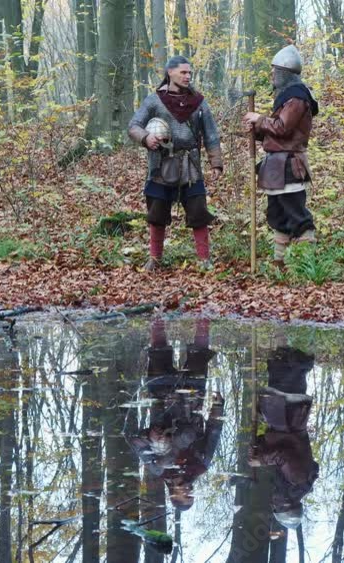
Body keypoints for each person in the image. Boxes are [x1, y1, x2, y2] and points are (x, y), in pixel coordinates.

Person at [128, 56, 224, 272]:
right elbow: (133, 125)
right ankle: (155, 259)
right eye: (183, 72)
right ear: (170, 72)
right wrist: (145, 138)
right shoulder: (154, 100)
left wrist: (216, 163)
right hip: (160, 163)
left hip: (190, 164)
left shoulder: (198, 102)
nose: (188, 76)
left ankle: (204, 260)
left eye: (190, 73)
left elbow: (211, 135)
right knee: (157, 213)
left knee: (198, 212)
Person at [129, 318, 223, 513]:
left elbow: (136, 441)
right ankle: (203, 311)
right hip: (193, 397)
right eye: (191, 495)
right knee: (200, 354)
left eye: (185, 495)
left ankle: (158, 310)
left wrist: (151, 437)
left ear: (173, 495)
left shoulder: (157, 469)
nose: (189, 491)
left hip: (160, 395)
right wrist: (218, 408)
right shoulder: (201, 465)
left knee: (158, 350)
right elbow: (213, 432)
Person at [242, 45, 320, 267]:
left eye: (274, 71)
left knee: (297, 216)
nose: (271, 76)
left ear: (284, 73)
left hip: (289, 164)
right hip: (275, 165)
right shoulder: (286, 98)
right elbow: (274, 133)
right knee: (277, 215)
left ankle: (307, 264)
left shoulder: (297, 97)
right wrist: (257, 129)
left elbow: (283, 128)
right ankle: (280, 262)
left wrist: (260, 119)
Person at [249, 340, 319, 529]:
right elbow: (284, 455)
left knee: (283, 370)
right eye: (277, 506)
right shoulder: (297, 481)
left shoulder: (294, 485)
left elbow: (281, 451)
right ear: (286, 506)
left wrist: (260, 446)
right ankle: (292, 336)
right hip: (287, 416)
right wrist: (261, 460)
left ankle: (290, 340)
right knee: (287, 369)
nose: (273, 502)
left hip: (285, 417)